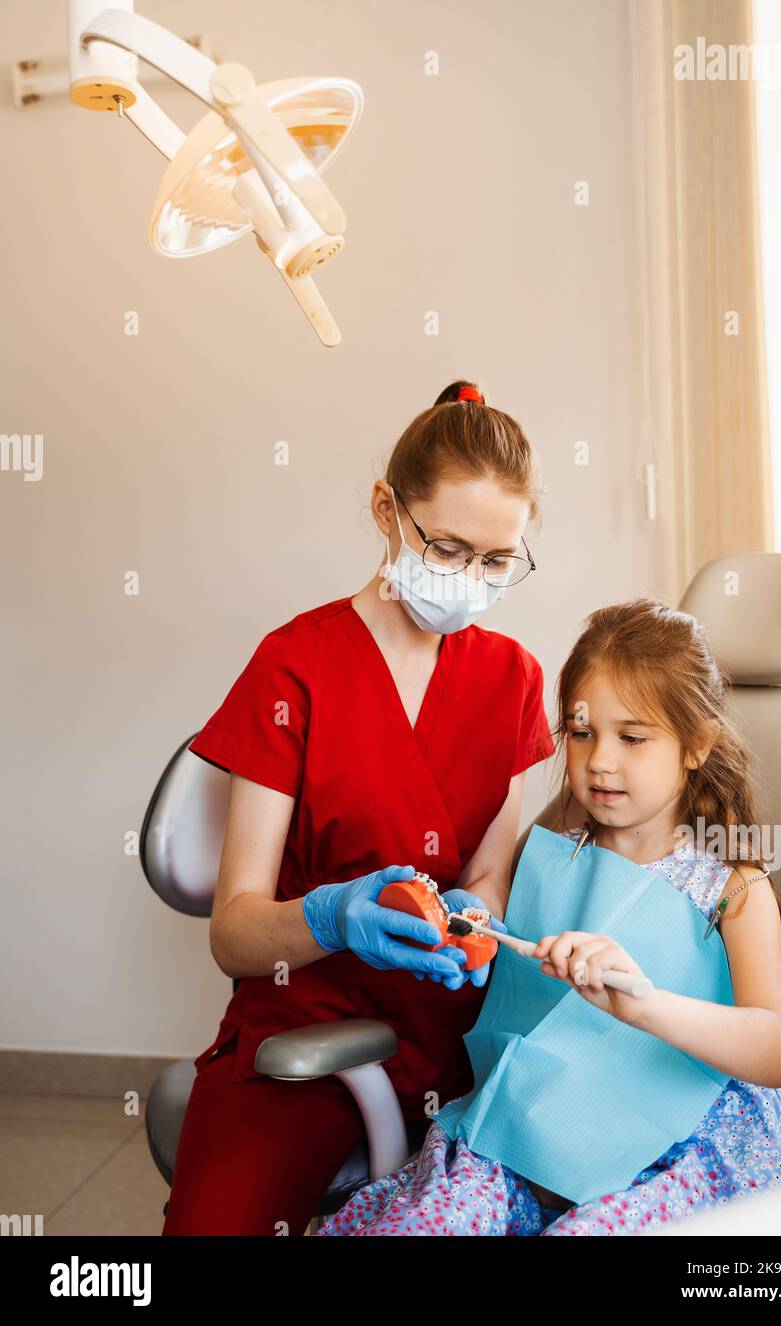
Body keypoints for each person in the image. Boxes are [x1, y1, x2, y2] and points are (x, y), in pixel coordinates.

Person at [161, 380, 556, 1235]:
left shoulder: (514, 678)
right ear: (387, 509)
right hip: (308, 1028)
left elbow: (490, 871)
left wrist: (475, 923)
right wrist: (334, 917)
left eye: (496, 563)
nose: (469, 581)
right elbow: (234, 932)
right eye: (448, 548)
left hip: (462, 1038)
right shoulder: (294, 666)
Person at [317, 597, 781, 1236]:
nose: (599, 761)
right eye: (582, 732)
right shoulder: (565, 836)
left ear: (696, 745)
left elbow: (777, 1051)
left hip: (682, 1140)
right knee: (426, 1223)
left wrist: (644, 1003)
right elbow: (502, 910)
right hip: (543, 1112)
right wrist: (464, 922)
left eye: (633, 738)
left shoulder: (730, 884)